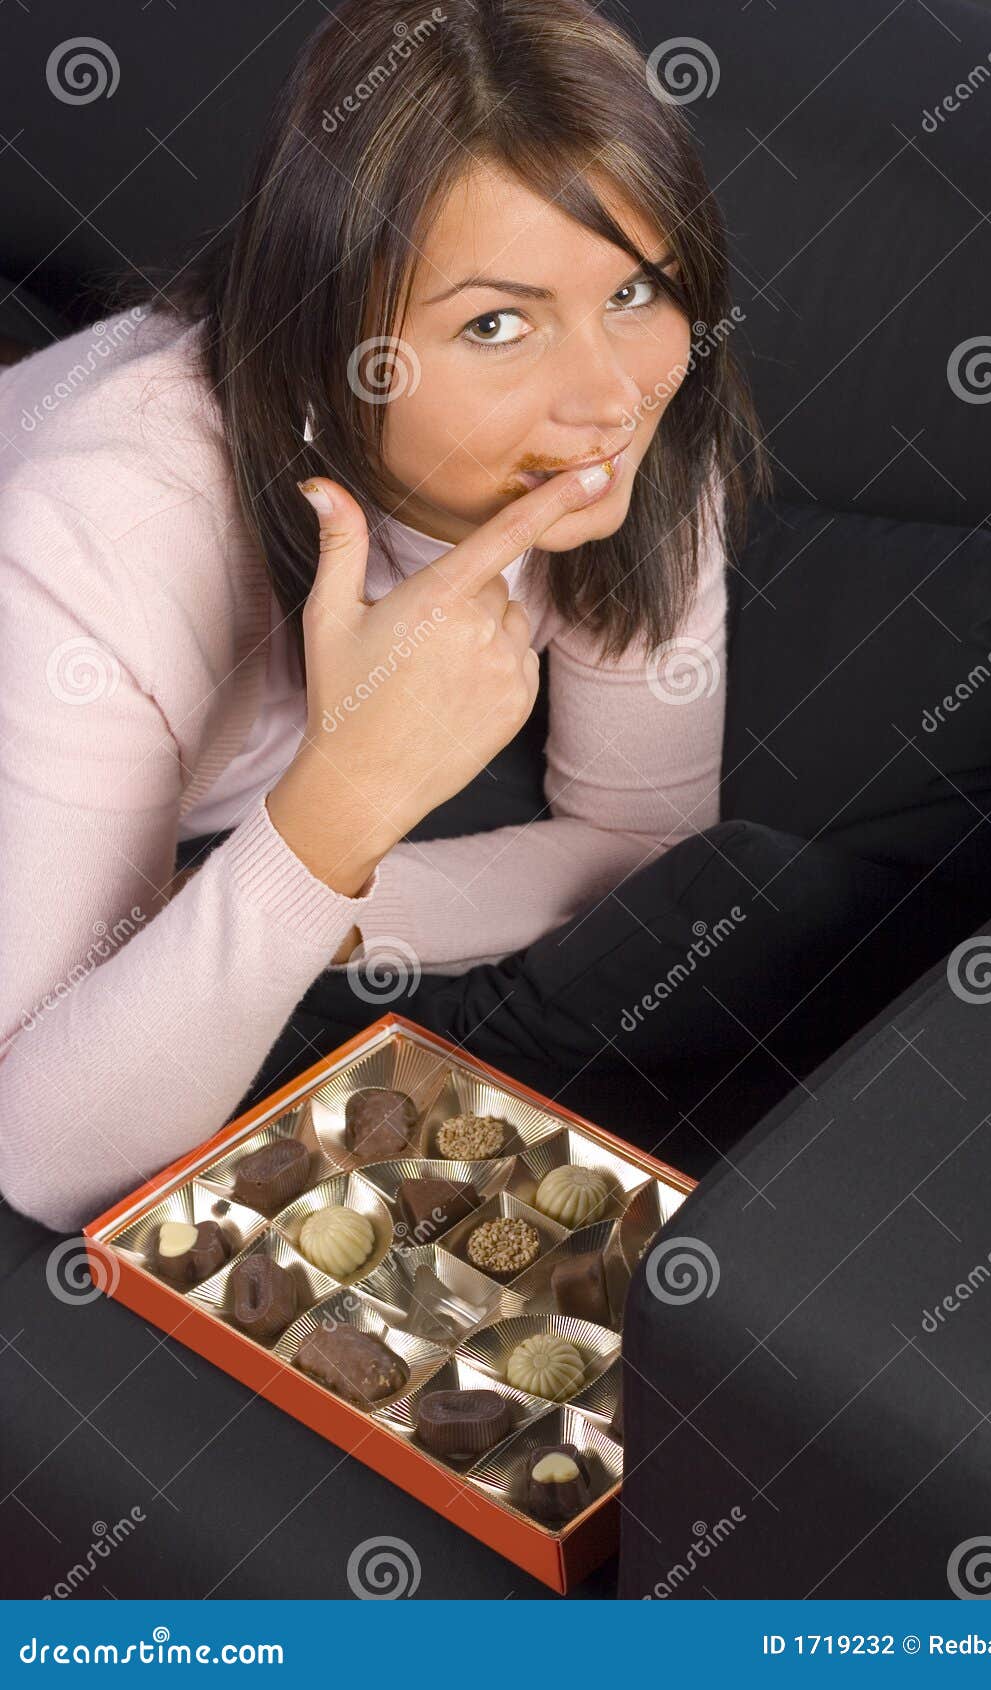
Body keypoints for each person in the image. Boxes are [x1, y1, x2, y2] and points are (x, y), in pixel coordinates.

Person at [0, 0, 768, 1232]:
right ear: (330, 342)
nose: (607, 398)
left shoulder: (640, 435)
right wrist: (332, 809)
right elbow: (46, 1153)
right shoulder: (101, 537)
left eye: (636, 290)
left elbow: (641, 839)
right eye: (494, 323)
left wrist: (296, 893)